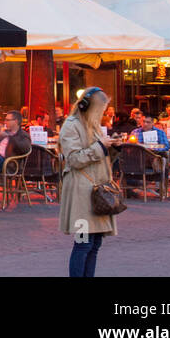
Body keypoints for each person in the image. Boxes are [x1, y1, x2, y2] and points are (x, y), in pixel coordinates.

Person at [59, 86, 120, 277]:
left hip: (97, 195)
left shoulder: (93, 126)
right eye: (101, 109)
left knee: (94, 244)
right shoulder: (71, 125)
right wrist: (101, 146)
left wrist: (113, 148)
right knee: (83, 242)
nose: (103, 113)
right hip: (81, 196)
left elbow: (98, 156)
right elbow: (75, 159)